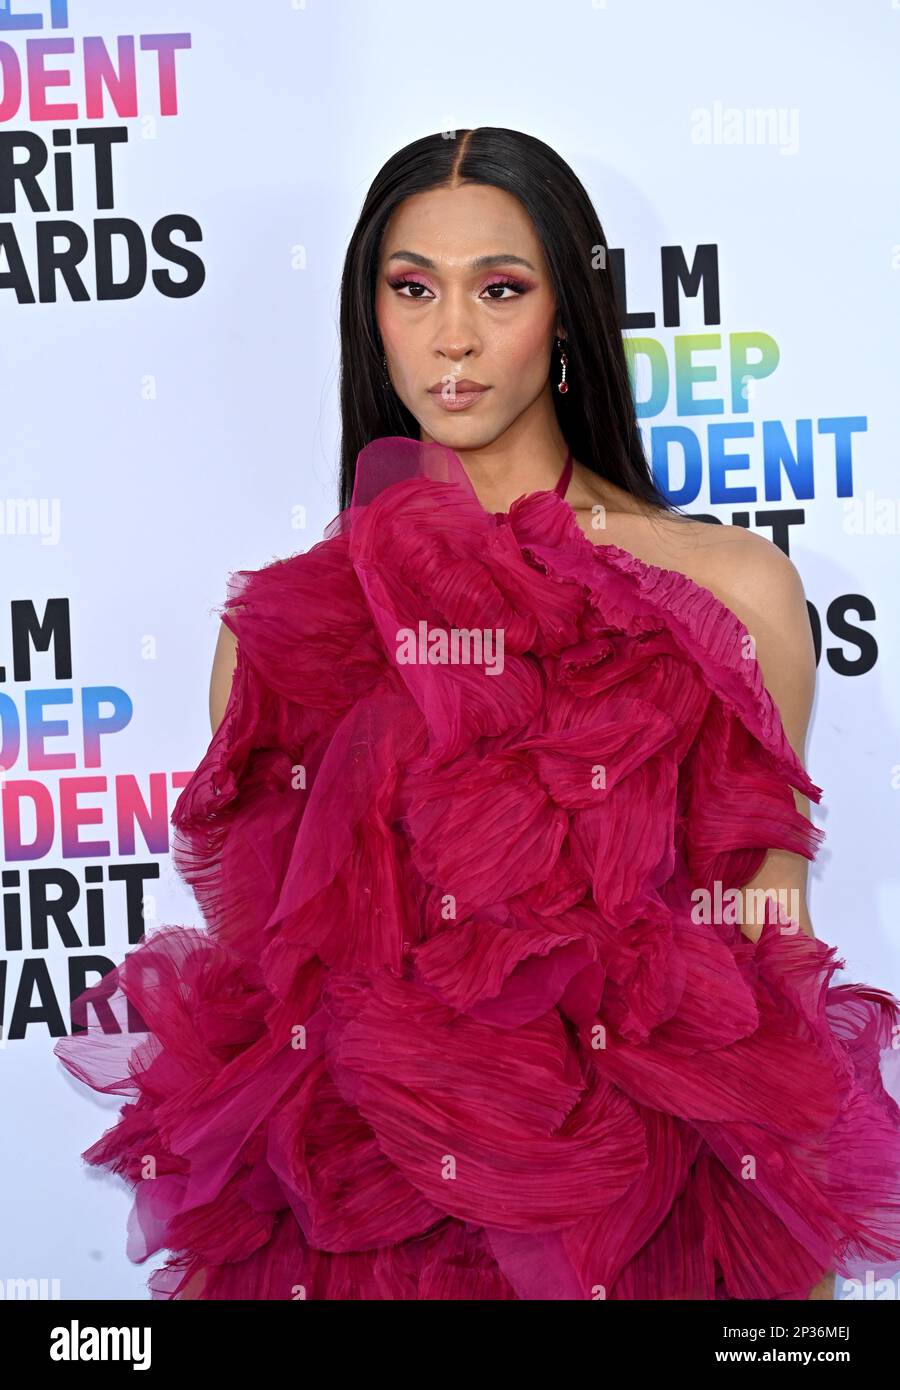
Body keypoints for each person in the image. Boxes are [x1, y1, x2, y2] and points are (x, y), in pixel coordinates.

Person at [55, 127, 900, 1301]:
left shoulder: (731, 592)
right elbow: (275, 990)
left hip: (645, 1224)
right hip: (367, 1235)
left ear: (567, 317)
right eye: (412, 289)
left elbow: (766, 950)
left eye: (499, 289)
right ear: (373, 317)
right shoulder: (287, 629)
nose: (452, 336)